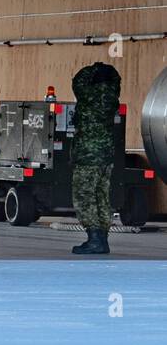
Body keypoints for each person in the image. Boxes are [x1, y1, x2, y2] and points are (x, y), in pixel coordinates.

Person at [70, 62, 121, 255]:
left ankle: (94, 239)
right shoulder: (112, 96)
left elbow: (77, 81)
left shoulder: (87, 95)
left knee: (84, 196)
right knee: (101, 196)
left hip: (87, 156)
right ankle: (102, 239)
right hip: (106, 156)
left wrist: (93, 68)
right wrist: (107, 72)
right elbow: (116, 80)